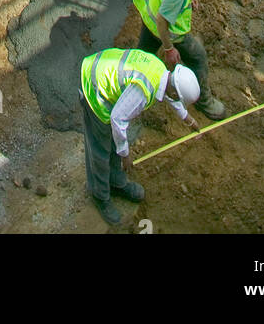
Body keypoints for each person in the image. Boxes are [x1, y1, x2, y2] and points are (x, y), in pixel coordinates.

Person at [79, 47, 200, 224]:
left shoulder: (161, 72)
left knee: (114, 141)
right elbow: (117, 119)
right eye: (177, 97)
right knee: (101, 149)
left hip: (106, 73)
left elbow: (171, 97)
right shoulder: (144, 89)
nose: (175, 99)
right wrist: (125, 155)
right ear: (174, 91)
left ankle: (116, 182)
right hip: (95, 85)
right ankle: (100, 196)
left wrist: (188, 119)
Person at [133, 0, 226, 120]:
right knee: (198, 57)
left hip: (148, 9)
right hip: (166, 29)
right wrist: (169, 48)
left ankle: (131, 85)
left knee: (142, 57)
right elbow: (162, 22)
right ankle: (203, 101)